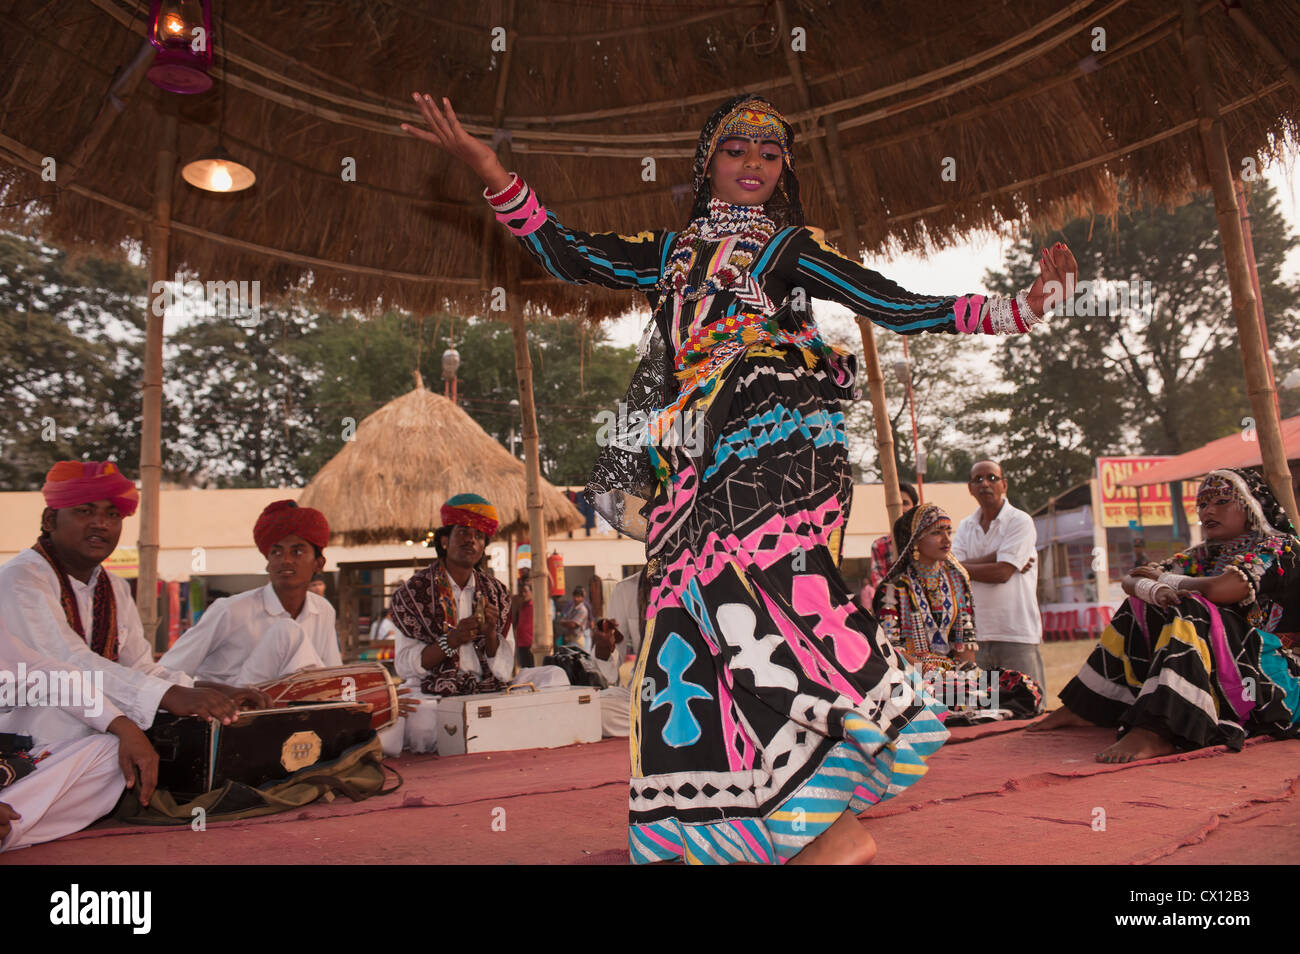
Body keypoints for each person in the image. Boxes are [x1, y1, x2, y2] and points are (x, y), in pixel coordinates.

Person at [405, 92, 1075, 864]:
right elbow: (569, 254)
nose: (754, 163)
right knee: (688, 626)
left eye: (770, 151)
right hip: (695, 450)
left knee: (754, 604)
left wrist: (1016, 311)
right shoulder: (669, 251)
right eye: (736, 149)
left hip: (777, 440)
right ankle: (794, 823)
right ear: (707, 165)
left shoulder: (789, 247)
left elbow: (891, 302)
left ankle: (831, 795)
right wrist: (491, 172)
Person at [0, 461, 264, 848]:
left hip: (84, 737)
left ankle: (13, 821)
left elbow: (139, 668)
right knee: (115, 738)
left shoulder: (114, 588)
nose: (100, 524)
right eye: (85, 511)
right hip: (23, 731)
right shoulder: (21, 579)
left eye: (111, 514)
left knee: (114, 756)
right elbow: (63, 661)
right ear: (50, 519)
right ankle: (16, 815)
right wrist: (163, 698)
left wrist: (207, 691)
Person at [1032, 468, 1300, 762]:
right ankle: (1086, 708)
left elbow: (1223, 588)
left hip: (1269, 676)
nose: (1208, 510)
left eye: (1222, 501)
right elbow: (1132, 581)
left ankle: (1161, 729)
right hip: (1223, 668)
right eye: (1202, 504)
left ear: (1251, 506)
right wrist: (1154, 590)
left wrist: (1168, 583)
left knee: (1191, 608)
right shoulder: (1205, 553)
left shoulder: (1280, 546)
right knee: (1142, 605)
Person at [873, 505, 1041, 723]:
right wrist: (934, 673)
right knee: (906, 695)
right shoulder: (894, 589)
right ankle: (966, 707)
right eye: (936, 532)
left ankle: (965, 706)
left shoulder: (957, 582)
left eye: (948, 532)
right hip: (912, 677)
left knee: (1022, 685)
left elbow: (964, 645)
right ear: (915, 540)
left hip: (953, 676)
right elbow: (892, 651)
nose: (946, 539)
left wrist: (965, 674)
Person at [389, 494, 567, 699]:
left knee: (555, 675)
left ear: (483, 547)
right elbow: (403, 665)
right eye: (463, 532)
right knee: (420, 717)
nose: (471, 540)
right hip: (431, 692)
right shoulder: (414, 592)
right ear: (445, 541)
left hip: (488, 686)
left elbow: (504, 671)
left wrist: (491, 635)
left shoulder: (496, 593)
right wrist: (452, 640)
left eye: (479, 536)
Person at [161, 500, 343, 685]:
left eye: (297, 552)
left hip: (294, 708)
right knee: (286, 631)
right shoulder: (230, 610)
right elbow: (165, 673)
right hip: (234, 709)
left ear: (318, 564)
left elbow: (332, 675)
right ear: (268, 562)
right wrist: (208, 691)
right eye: (276, 553)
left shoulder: (323, 611)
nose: (286, 560)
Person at [951, 460, 1046, 711]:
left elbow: (1002, 573)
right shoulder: (964, 526)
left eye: (992, 478)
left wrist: (962, 567)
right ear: (970, 488)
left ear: (1004, 484)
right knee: (985, 712)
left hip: (1015, 632)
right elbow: (951, 570)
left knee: (1028, 711)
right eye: (978, 479)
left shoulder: (1020, 521)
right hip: (976, 636)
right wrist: (997, 556)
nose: (985, 483)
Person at [860, 481, 919, 608]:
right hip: (893, 611)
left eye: (906, 503)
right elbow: (881, 586)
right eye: (898, 503)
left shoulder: (924, 543)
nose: (900, 509)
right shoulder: (880, 546)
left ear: (914, 509)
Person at [558, 586, 592, 652]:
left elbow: (573, 625)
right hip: (569, 639)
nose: (576, 599)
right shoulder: (572, 607)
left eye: (578, 597)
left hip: (577, 640)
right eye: (575, 596)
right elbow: (563, 619)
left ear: (582, 598)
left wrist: (564, 622)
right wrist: (566, 622)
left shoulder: (583, 610)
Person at [510, 581, 535, 670]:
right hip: (521, 642)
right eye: (521, 592)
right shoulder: (520, 605)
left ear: (532, 592)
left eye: (525, 591)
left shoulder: (535, 606)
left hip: (531, 643)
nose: (523, 594)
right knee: (525, 669)